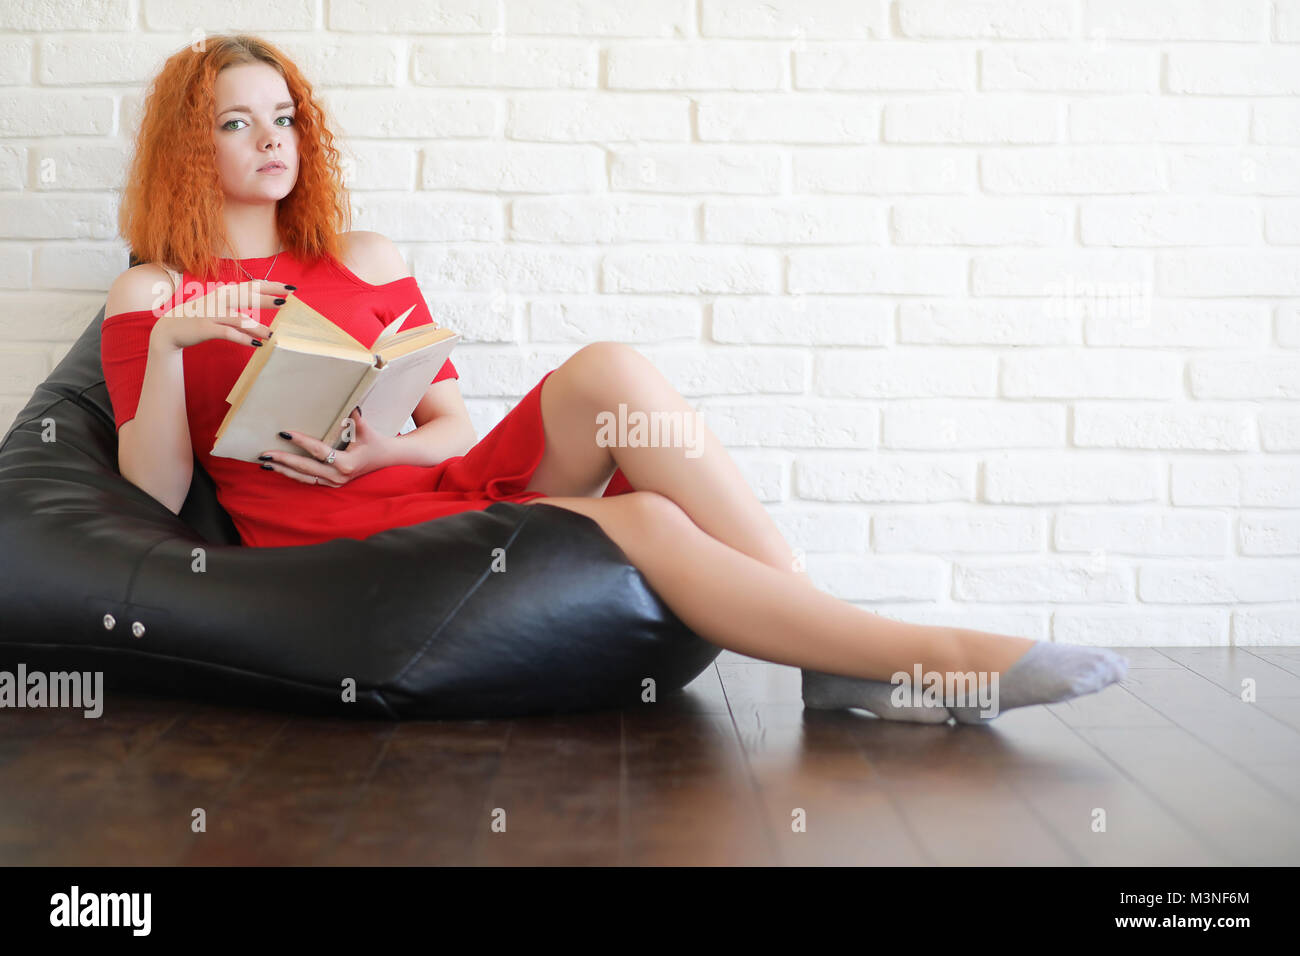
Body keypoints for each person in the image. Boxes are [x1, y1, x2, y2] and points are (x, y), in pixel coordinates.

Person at [102, 34, 1127, 725]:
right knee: (648, 527)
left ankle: (824, 634)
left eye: (282, 116)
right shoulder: (153, 290)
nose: (271, 139)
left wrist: (383, 442)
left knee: (609, 370)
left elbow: (450, 421)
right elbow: (148, 498)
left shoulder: (363, 255)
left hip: (425, 486)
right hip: (336, 545)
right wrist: (166, 343)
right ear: (190, 144)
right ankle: (916, 652)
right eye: (237, 122)